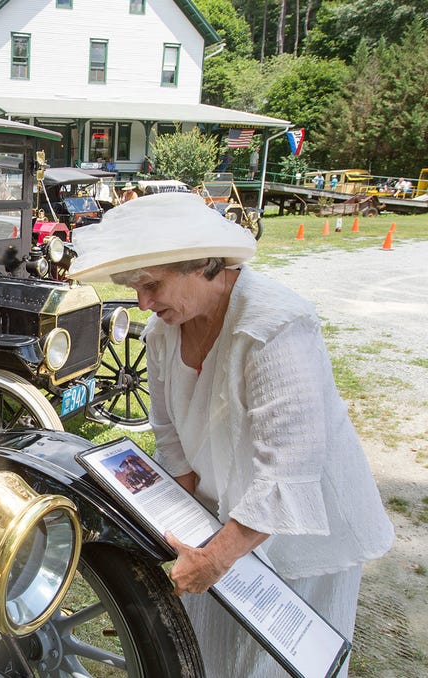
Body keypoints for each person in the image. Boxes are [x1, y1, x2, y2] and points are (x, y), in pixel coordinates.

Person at [67, 192, 393, 678]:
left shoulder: (274, 327)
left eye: (152, 285)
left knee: (274, 664)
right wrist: (170, 516)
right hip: (221, 518)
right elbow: (169, 434)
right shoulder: (161, 333)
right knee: (209, 652)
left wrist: (215, 558)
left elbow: (287, 475)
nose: (143, 303)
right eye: (134, 288)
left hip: (304, 534)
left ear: (205, 266)